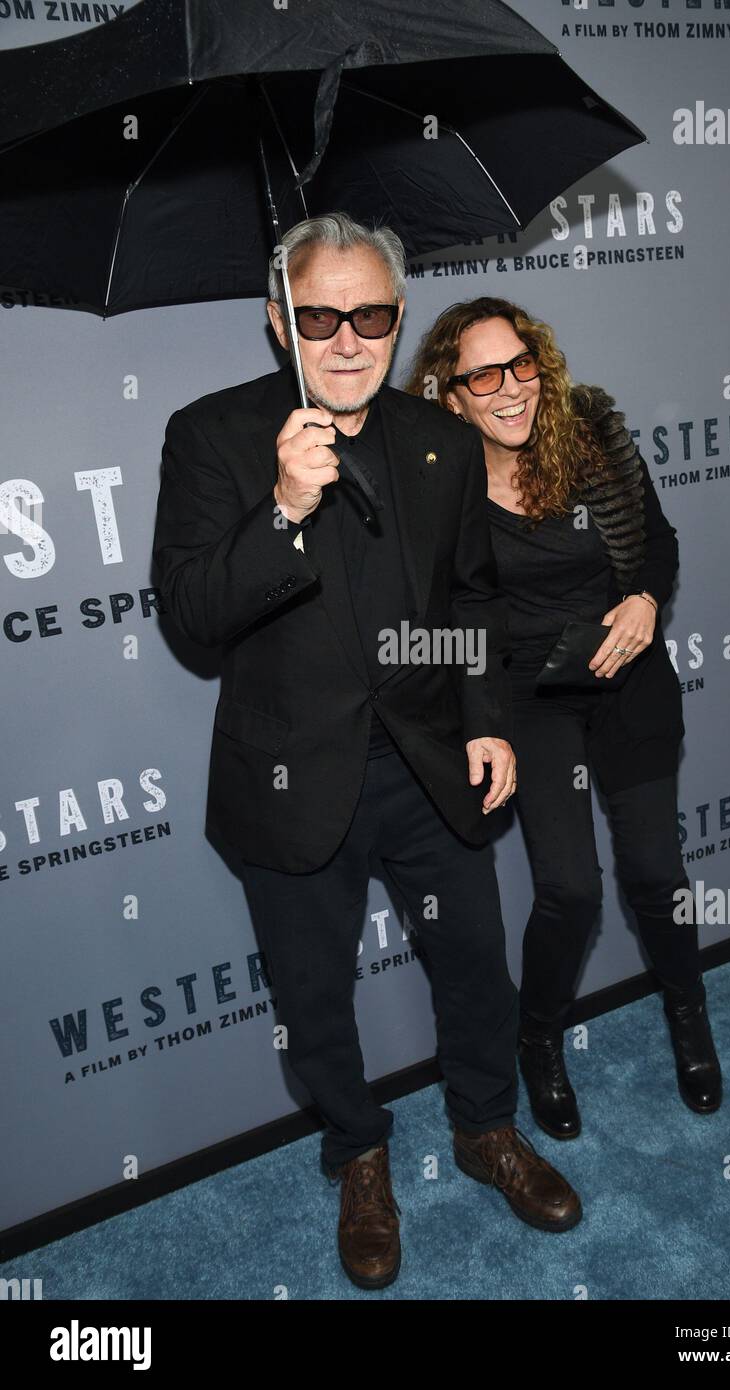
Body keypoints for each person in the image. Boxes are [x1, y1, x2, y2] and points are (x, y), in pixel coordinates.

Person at [152, 221, 581, 1292]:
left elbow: (470, 595)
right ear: (275, 322)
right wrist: (284, 505)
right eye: (318, 316)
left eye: (372, 314)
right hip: (291, 779)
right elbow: (194, 617)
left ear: (396, 318)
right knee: (313, 998)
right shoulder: (210, 437)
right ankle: (358, 1154)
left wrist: (484, 715)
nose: (347, 339)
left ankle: (486, 1128)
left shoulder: (437, 441)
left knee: (476, 965)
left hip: (429, 765)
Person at [405, 295, 722, 1142]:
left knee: (657, 873)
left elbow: (657, 539)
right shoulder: (435, 482)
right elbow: (442, 619)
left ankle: (688, 1015)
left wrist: (646, 599)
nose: (510, 388)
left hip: (624, 676)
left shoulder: (588, 434)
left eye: (521, 365)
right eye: (483, 375)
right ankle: (537, 1038)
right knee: (571, 890)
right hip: (527, 700)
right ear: (450, 392)